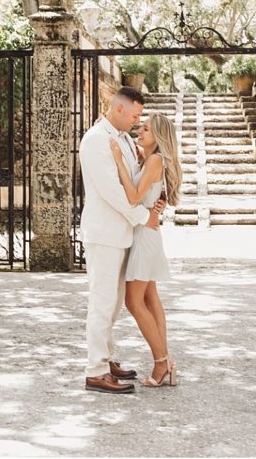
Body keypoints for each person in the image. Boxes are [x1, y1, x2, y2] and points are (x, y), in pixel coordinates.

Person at [79, 86, 165, 394]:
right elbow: (111, 191)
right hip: (104, 234)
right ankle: (96, 371)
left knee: (113, 303)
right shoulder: (94, 141)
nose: (136, 121)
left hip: (122, 234)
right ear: (118, 109)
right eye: (134, 115)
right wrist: (144, 218)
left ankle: (106, 358)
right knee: (102, 302)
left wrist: (156, 199)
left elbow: (135, 181)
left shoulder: (125, 140)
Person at [108, 112, 182, 388]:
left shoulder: (154, 160)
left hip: (144, 236)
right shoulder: (151, 158)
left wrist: (118, 163)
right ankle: (165, 361)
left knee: (134, 301)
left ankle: (161, 362)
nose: (140, 130)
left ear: (158, 136)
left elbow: (133, 196)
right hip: (147, 233)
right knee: (151, 298)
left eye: (146, 129)